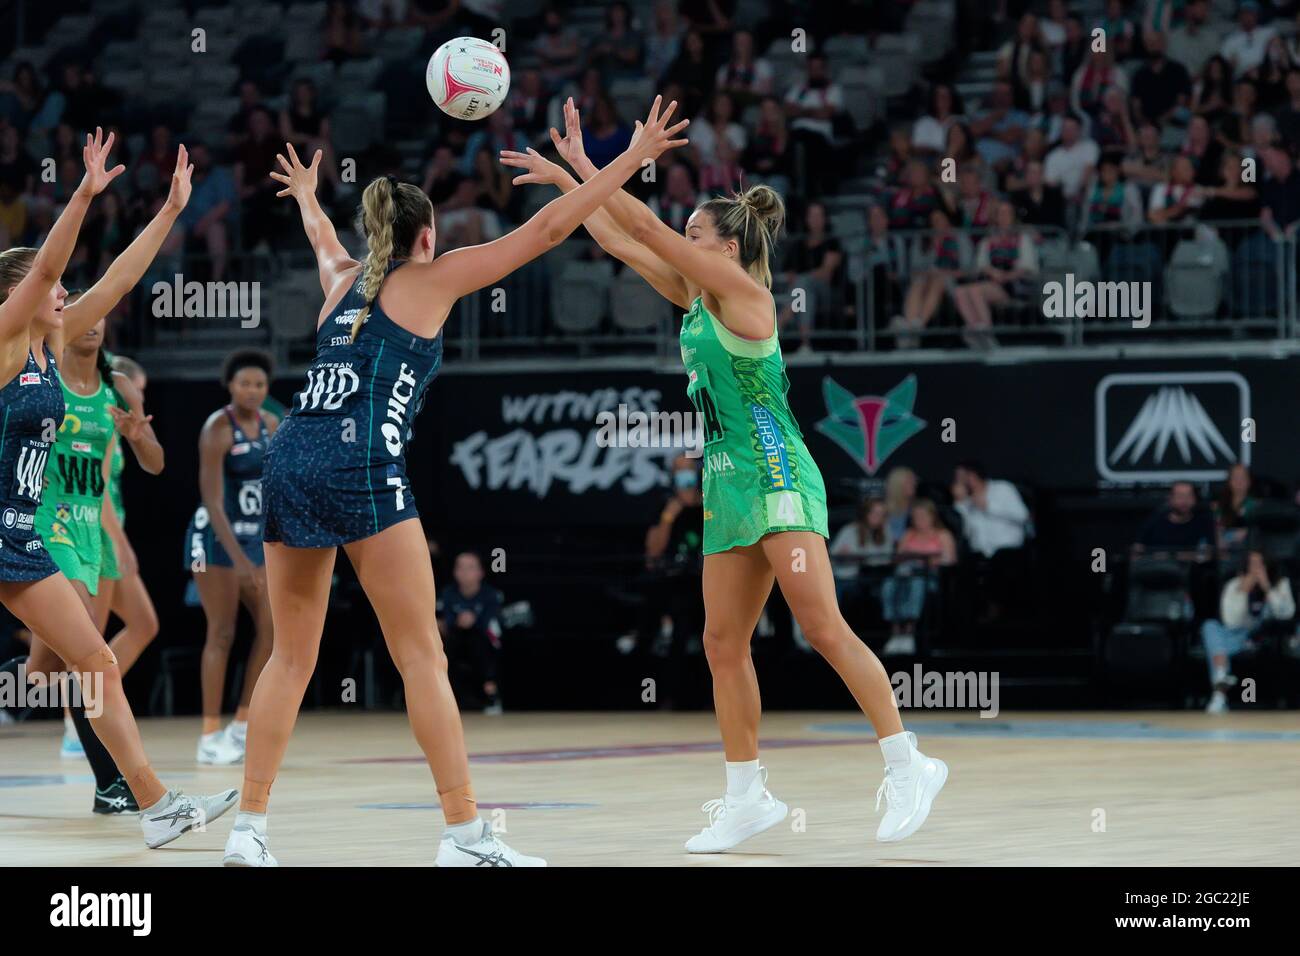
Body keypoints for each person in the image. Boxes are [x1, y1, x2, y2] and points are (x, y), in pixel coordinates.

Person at [222, 99, 687, 868]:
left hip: (291, 454)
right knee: (422, 658)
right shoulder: (431, 281)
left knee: (290, 660)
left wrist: (308, 195)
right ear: (427, 236)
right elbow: (543, 231)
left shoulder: (343, 283)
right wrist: (628, 160)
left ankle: (248, 830)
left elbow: (323, 240)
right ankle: (466, 834)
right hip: (360, 461)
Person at [504, 97, 948, 852]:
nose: (682, 240)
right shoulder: (695, 296)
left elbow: (641, 224)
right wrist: (567, 180)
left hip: (778, 475)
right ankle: (748, 794)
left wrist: (600, 162)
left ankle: (909, 762)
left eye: (695, 234)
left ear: (728, 247)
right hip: (726, 482)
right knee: (721, 642)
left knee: (820, 626)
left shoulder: (746, 297)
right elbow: (617, 237)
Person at [0, 132, 237, 845]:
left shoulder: (47, 345)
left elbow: (120, 283)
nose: (69, 294)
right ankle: (157, 804)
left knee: (94, 661)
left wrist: (168, 212)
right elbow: (48, 266)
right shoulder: (7, 340)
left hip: (20, 533)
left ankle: (155, 806)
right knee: (89, 660)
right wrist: (84, 193)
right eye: (53, 289)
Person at [184, 349, 278, 765]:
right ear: (230, 385)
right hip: (211, 539)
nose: (252, 391)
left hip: (254, 538)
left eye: (259, 384)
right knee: (221, 631)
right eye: (245, 383)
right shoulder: (216, 428)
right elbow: (212, 500)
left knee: (273, 630)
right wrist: (241, 561)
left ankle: (241, 724)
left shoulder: (271, 425)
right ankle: (208, 734)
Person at [1201, 551, 1293, 713]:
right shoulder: (1234, 585)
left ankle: (1219, 693)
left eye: (1260, 564)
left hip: (1261, 635)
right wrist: (1243, 592)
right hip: (1236, 634)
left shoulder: (1280, 583)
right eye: (1252, 565)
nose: (1256, 569)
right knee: (1210, 627)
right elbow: (1231, 622)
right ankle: (1221, 678)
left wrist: (1267, 588)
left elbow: (1285, 614)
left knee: (1218, 645)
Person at [881, 499, 957, 655]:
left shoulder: (943, 535)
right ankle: (896, 631)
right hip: (905, 574)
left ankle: (909, 631)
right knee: (889, 584)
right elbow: (896, 558)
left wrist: (926, 560)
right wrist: (907, 557)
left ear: (932, 516)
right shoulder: (909, 534)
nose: (919, 520)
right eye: (916, 517)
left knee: (917, 584)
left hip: (930, 577)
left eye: (923, 516)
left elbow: (950, 560)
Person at [437, 552, 504, 714]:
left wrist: (475, 621)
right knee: (446, 646)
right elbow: (443, 620)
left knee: (480, 644)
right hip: (455, 639)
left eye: (470, 568)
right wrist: (454, 622)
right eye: (460, 567)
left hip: (482, 640)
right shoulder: (448, 593)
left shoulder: (491, 595)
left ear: (481, 572)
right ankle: (443, 697)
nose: (465, 572)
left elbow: (494, 623)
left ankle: (491, 693)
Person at [951, 461, 1030, 558]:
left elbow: (1023, 516)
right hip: (981, 555)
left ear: (973, 476)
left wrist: (988, 507)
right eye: (957, 479)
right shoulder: (966, 501)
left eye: (961, 478)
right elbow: (965, 533)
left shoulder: (1002, 489)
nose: (959, 482)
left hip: (1008, 552)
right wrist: (960, 504)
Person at [1133, 481, 1217, 557]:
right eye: (1180, 496)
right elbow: (1137, 549)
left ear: (1195, 499)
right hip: (1158, 569)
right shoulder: (1154, 522)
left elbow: (1209, 552)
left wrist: (1181, 556)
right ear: (1170, 499)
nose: (1184, 501)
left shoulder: (1203, 522)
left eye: (1189, 496)